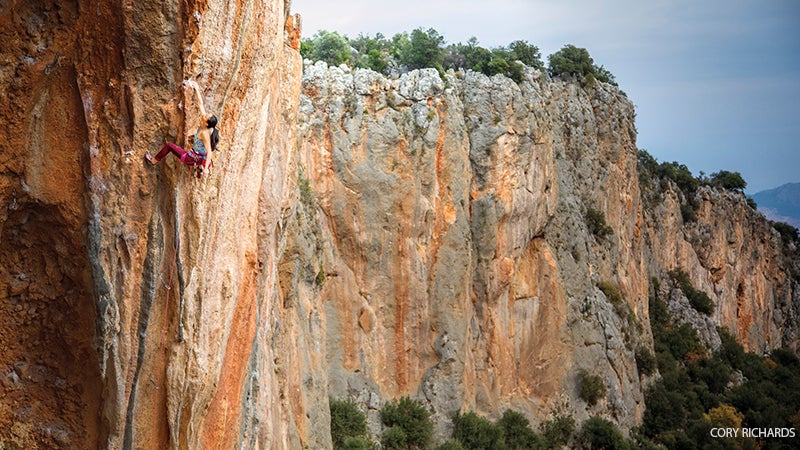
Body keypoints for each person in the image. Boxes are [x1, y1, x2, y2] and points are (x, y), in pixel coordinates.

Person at [145, 80, 220, 176]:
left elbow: (209, 151)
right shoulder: (210, 127)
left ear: (206, 123)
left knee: (169, 146)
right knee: (202, 156)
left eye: (206, 117)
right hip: (202, 156)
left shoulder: (204, 133)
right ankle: (201, 165)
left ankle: (153, 161)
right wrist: (196, 89)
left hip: (192, 158)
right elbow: (200, 104)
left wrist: (205, 169)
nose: (204, 115)